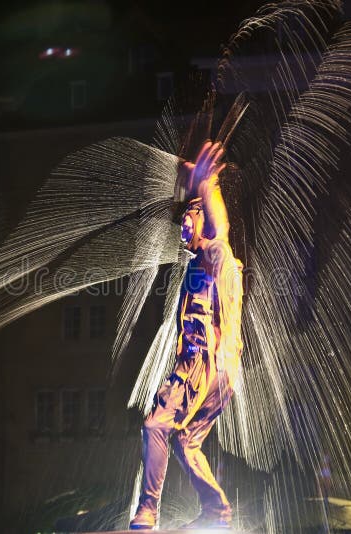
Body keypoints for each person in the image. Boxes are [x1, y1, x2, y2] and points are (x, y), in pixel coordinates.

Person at [130, 141, 244, 530]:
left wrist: (207, 186)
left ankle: (147, 511)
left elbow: (221, 229)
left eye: (188, 219)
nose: (182, 227)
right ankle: (217, 510)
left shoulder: (215, 256)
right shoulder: (200, 264)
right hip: (224, 371)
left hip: (204, 364)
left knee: (156, 425)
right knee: (185, 441)